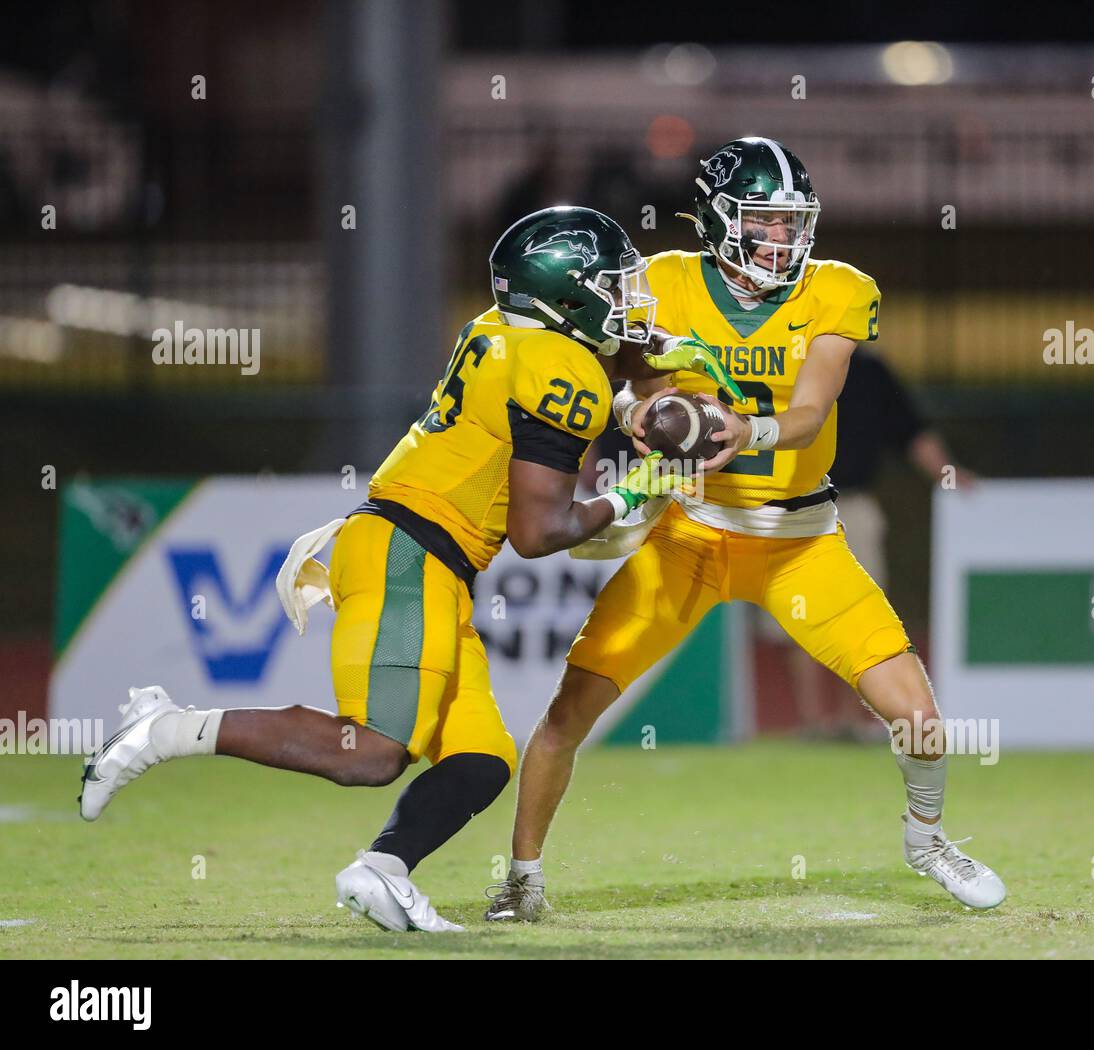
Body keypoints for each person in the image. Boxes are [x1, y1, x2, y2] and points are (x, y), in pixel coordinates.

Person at [78, 206, 707, 934]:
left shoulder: (500, 332)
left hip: (417, 553)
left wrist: (669, 360)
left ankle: (382, 870)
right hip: (409, 554)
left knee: (481, 758)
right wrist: (636, 488)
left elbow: (595, 376)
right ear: (568, 295)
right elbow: (539, 534)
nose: (628, 300)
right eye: (614, 285)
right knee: (372, 752)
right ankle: (164, 728)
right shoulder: (560, 369)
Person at [486, 138, 1005, 922]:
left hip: (800, 542)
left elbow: (811, 410)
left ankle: (927, 840)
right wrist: (648, 414)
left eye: (793, 222)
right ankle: (521, 880)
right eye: (763, 221)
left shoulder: (834, 289)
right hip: (689, 537)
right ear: (719, 220)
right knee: (566, 715)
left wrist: (744, 429)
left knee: (920, 719)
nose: (783, 239)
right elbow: (617, 377)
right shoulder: (662, 281)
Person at [781, 348, 976, 740]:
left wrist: (951, 477)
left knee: (860, 616)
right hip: (787, 504)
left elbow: (910, 432)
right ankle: (812, 722)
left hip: (852, 505)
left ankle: (850, 721)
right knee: (795, 614)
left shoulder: (870, 370)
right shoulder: (786, 356)